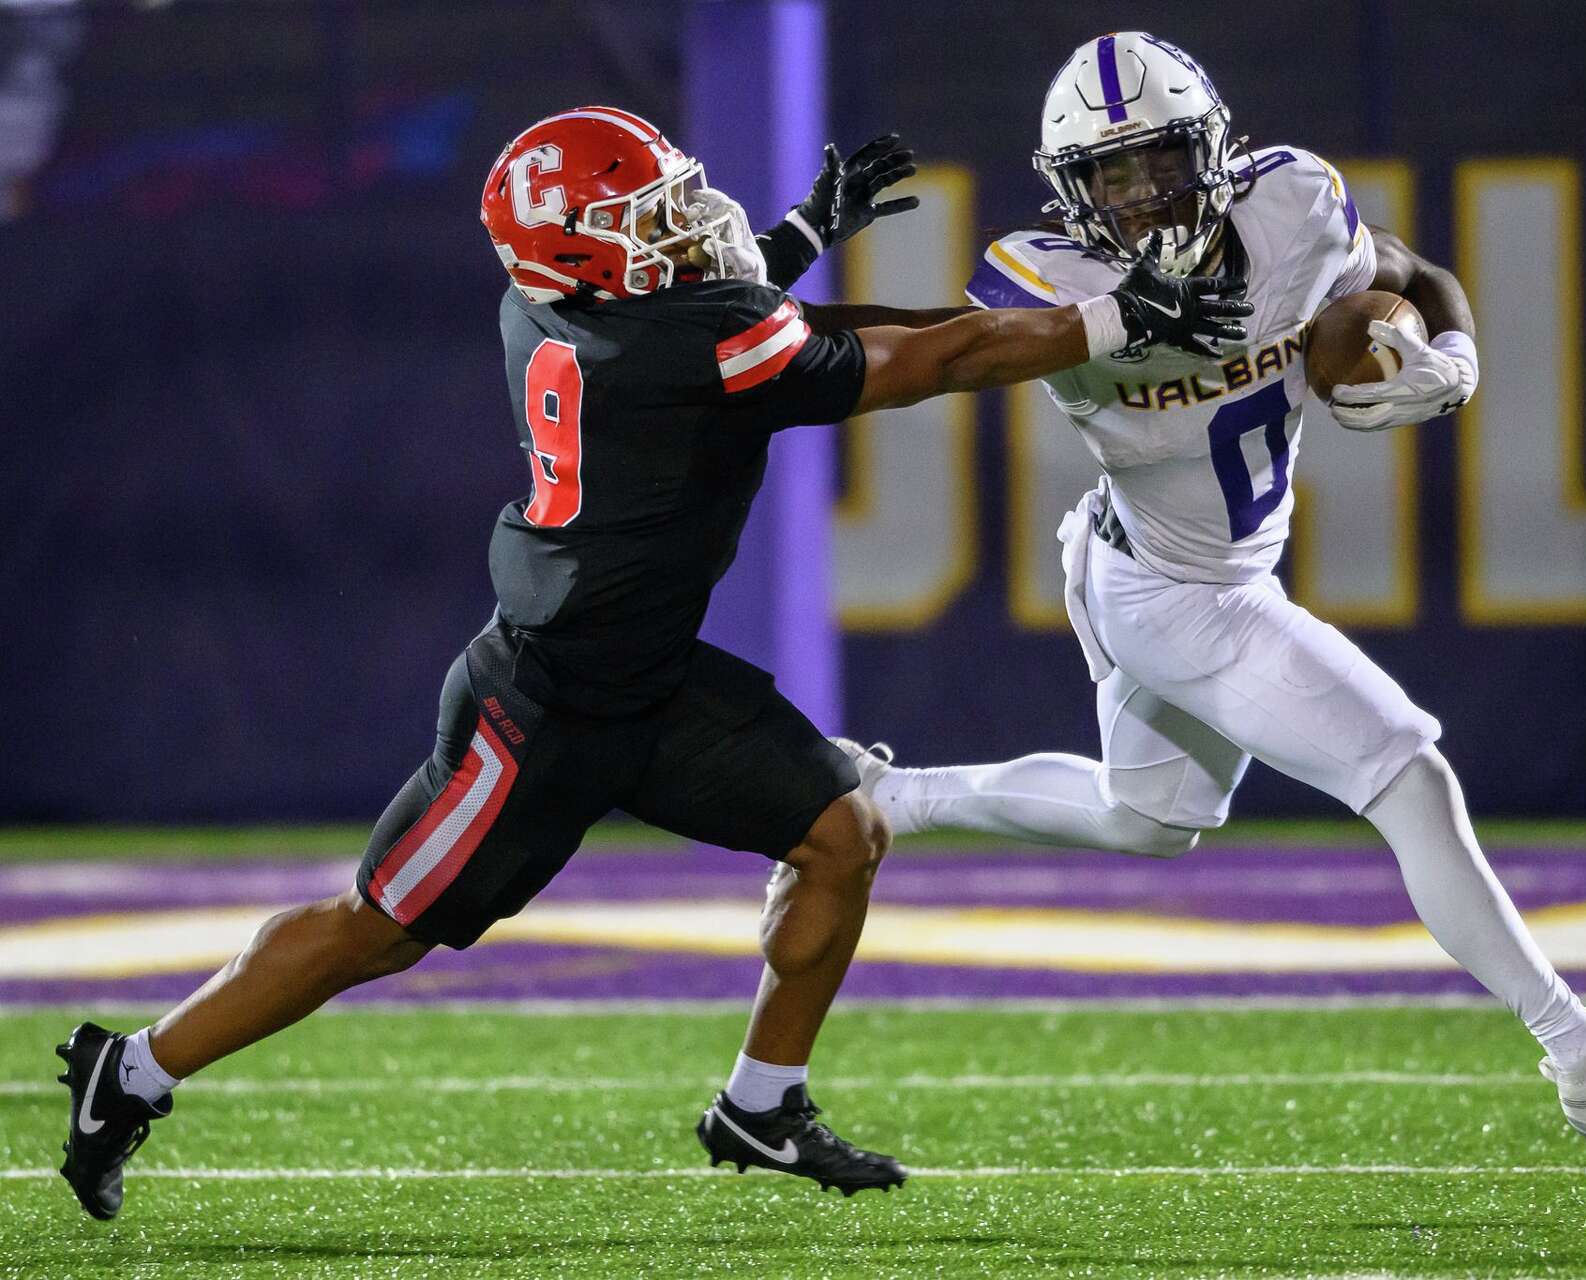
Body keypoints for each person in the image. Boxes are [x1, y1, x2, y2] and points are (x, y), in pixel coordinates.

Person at [56, 103, 1251, 1218]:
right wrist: (1114, 318)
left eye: (675, 200)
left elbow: (725, 322)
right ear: (581, 252)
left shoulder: (561, 304)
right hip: (540, 709)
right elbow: (914, 361)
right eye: (648, 218)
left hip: (650, 677)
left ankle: (761, 1103)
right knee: (378, 929)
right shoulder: (673, 345)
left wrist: (794, 235)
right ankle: (135, 1069)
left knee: (843, 832)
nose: (684, 224)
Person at [837, 34, 1586, 1142]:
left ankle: (895, 797)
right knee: (1407, 774)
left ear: (1217, 147)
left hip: (1141, 561)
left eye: (1162, 162)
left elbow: (1411, 275)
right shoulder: (1057, 275)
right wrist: (1113, 321)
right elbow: (944, 350)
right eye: (1110, 176)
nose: (1140, 200)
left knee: (1151, 817)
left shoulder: (1293, 206)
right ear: (1069, 194)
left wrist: (1452, 358)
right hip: (1175, 593)